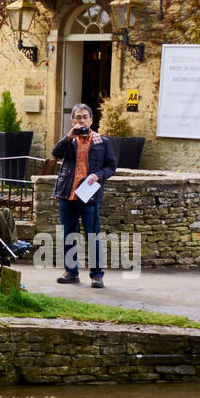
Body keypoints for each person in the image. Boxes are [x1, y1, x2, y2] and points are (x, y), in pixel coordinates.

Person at [50, 102, 117, 288]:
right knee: (69, 235)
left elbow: (111, 167)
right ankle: (71, 272)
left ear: (91, 120)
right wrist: (68, 136)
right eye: (78, 117)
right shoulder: (69, 140)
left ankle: (97, 275)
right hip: (67, 193)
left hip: (89, 196)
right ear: (72, 120)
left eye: (85, 117)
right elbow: (55, 153)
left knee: (92, 235)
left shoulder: (102, 141)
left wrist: (98, 175)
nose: (81, 120)